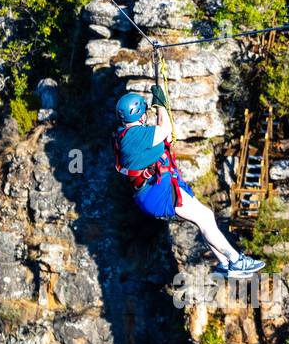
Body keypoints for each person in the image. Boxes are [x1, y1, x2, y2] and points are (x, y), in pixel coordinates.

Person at [113, 88, 264, 277]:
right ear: (141, 115)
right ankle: (236, 261)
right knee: (204, 219)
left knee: (205, 217)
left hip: (154, 189)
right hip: (158, 191)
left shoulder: (126, 134)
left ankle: (225, 263)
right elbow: (165, 129)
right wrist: (161, 105)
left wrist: (161, 106)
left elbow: (162, 134)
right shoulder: (135, 136)